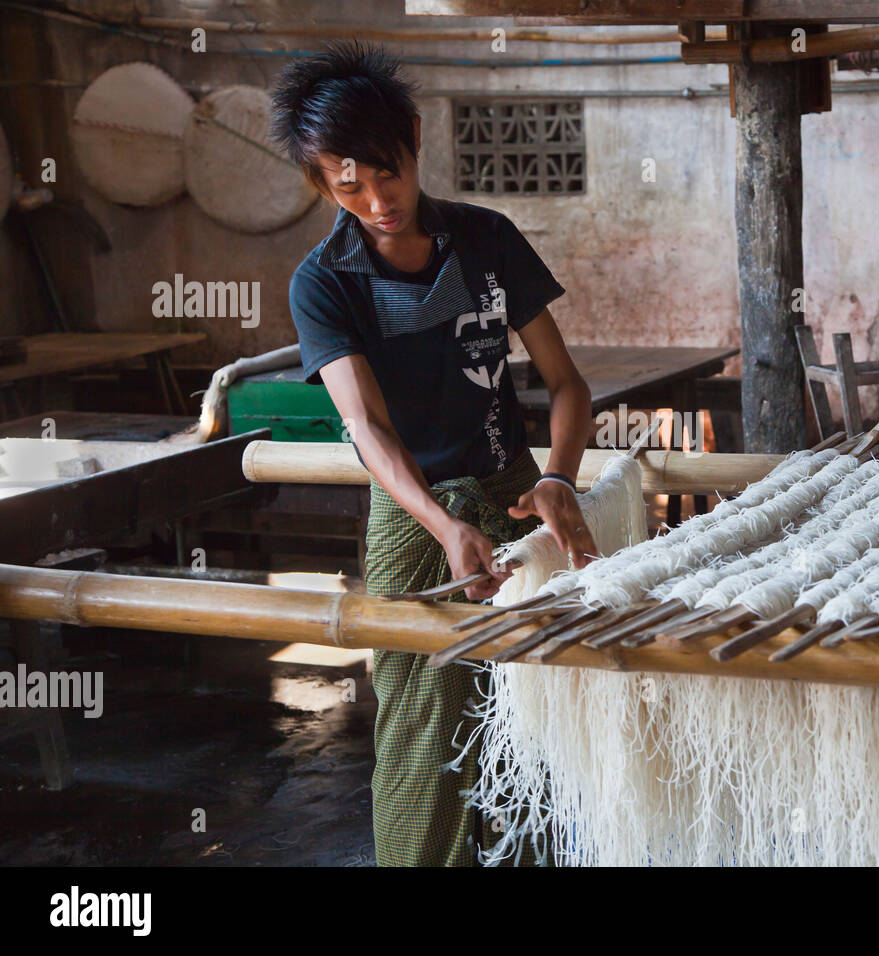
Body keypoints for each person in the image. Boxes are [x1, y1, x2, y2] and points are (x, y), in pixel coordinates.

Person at [270, 40, 596, 866]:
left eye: (390, 175)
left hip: (518, 495)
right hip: (413, 517)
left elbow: (565, 384)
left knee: (528, 710)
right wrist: (442, 524)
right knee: (420, 722)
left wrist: (558, 477)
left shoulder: (485, 242)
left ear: (415, 140)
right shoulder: (324, 281)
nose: (377, 201)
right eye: (350, 186)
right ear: (319, 181)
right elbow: (369, 431)